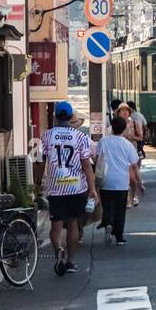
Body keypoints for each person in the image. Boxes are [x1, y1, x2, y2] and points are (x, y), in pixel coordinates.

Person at [35, 101, 99, 277]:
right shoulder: (79, 137)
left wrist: (37, 183)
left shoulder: (47, 136)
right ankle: (70, 262)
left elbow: (40, 163)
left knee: (55, 225)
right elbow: (86, 164)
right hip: (77, 187)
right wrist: (92, 188)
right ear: (71, 117)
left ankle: (58, 252)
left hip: (56, 188)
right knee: (72, 224)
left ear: (56, 116)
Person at [95, 114, 140, 245]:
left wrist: (94, 179)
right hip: (121, 182)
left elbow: (98, 160)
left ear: (112, 128)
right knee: (120, 209)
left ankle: (108, 222)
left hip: (105, 180)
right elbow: (134, 165)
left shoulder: (103, 141)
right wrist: (139, 183)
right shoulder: (127, 144)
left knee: (107, 206)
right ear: (124, 128)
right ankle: (119, 236)